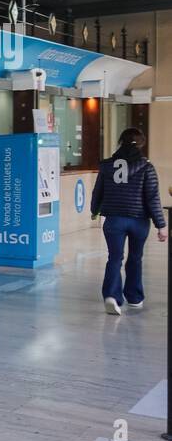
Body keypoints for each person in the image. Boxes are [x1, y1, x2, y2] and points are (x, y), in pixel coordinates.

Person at [90, 127, 166, 315]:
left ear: (120, 142)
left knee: (114, 258)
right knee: (135, 258)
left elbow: (97, 192)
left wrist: (94, 210)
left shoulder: (107, 165)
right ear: (141, 144)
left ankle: (111, 296)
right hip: (139, 221)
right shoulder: (146, 166)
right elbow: (152, 197)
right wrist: (161, 225)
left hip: (114, 220)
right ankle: (134, 297)